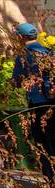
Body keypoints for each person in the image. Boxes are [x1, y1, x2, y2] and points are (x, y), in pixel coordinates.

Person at [13, 23, 55, 176]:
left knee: (42, 143)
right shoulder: (50, 53)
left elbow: (16, 81)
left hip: (37, 104)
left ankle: (50, 180)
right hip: (52, 101)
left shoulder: (24, 56)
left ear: (20, 37)